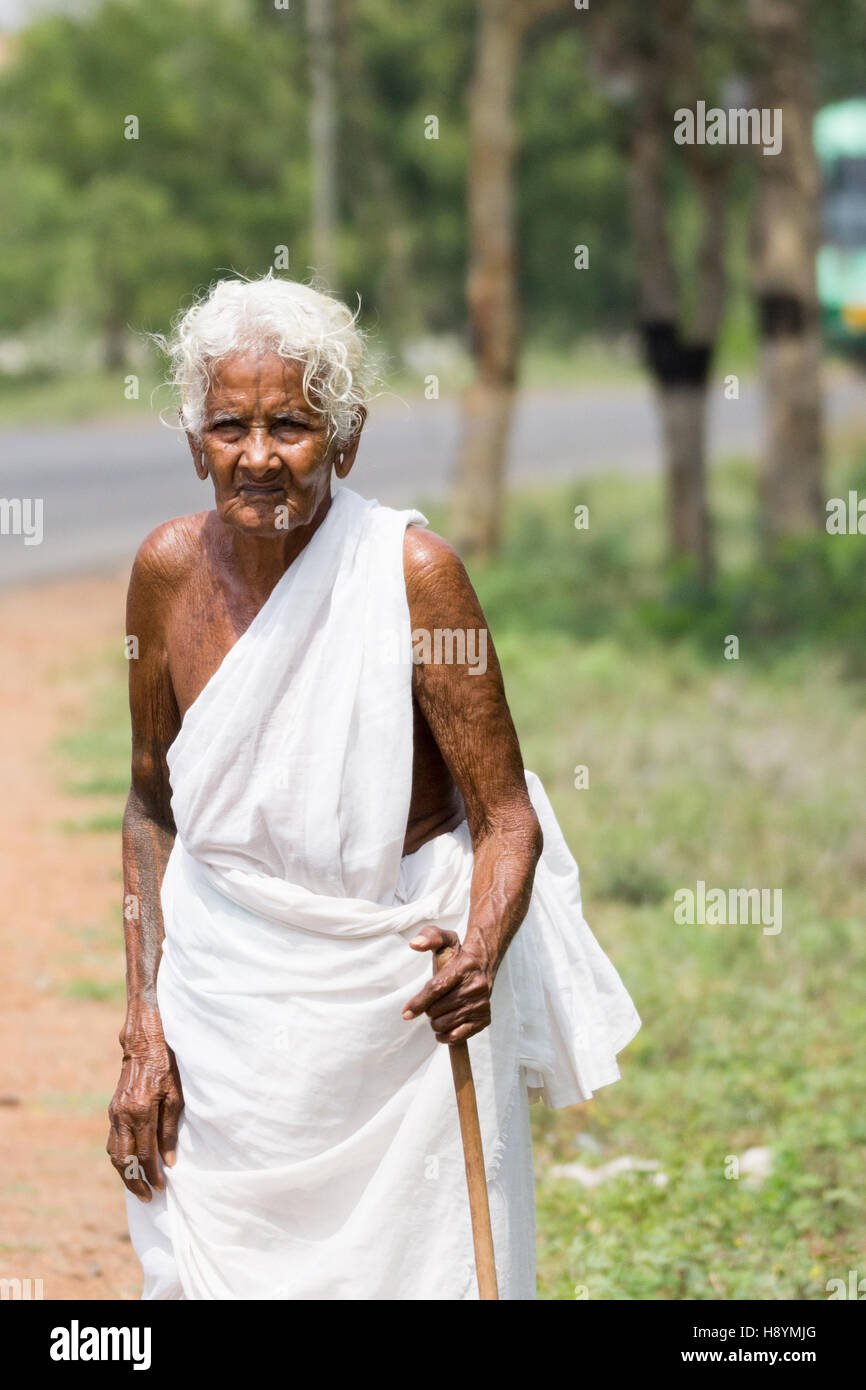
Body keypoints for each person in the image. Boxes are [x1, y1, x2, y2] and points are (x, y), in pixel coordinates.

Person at [107, 273, 640, 1300]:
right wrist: (143, 1024)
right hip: (223, 999)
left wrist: (479, 953)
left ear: (345, 442)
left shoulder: (412, 575)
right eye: (229, 426)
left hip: (396, 1007)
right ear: (192, 442)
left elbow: (504, 818)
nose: (258, 456)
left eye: (292, 426)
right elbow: (150, 806)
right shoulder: (166, 572)